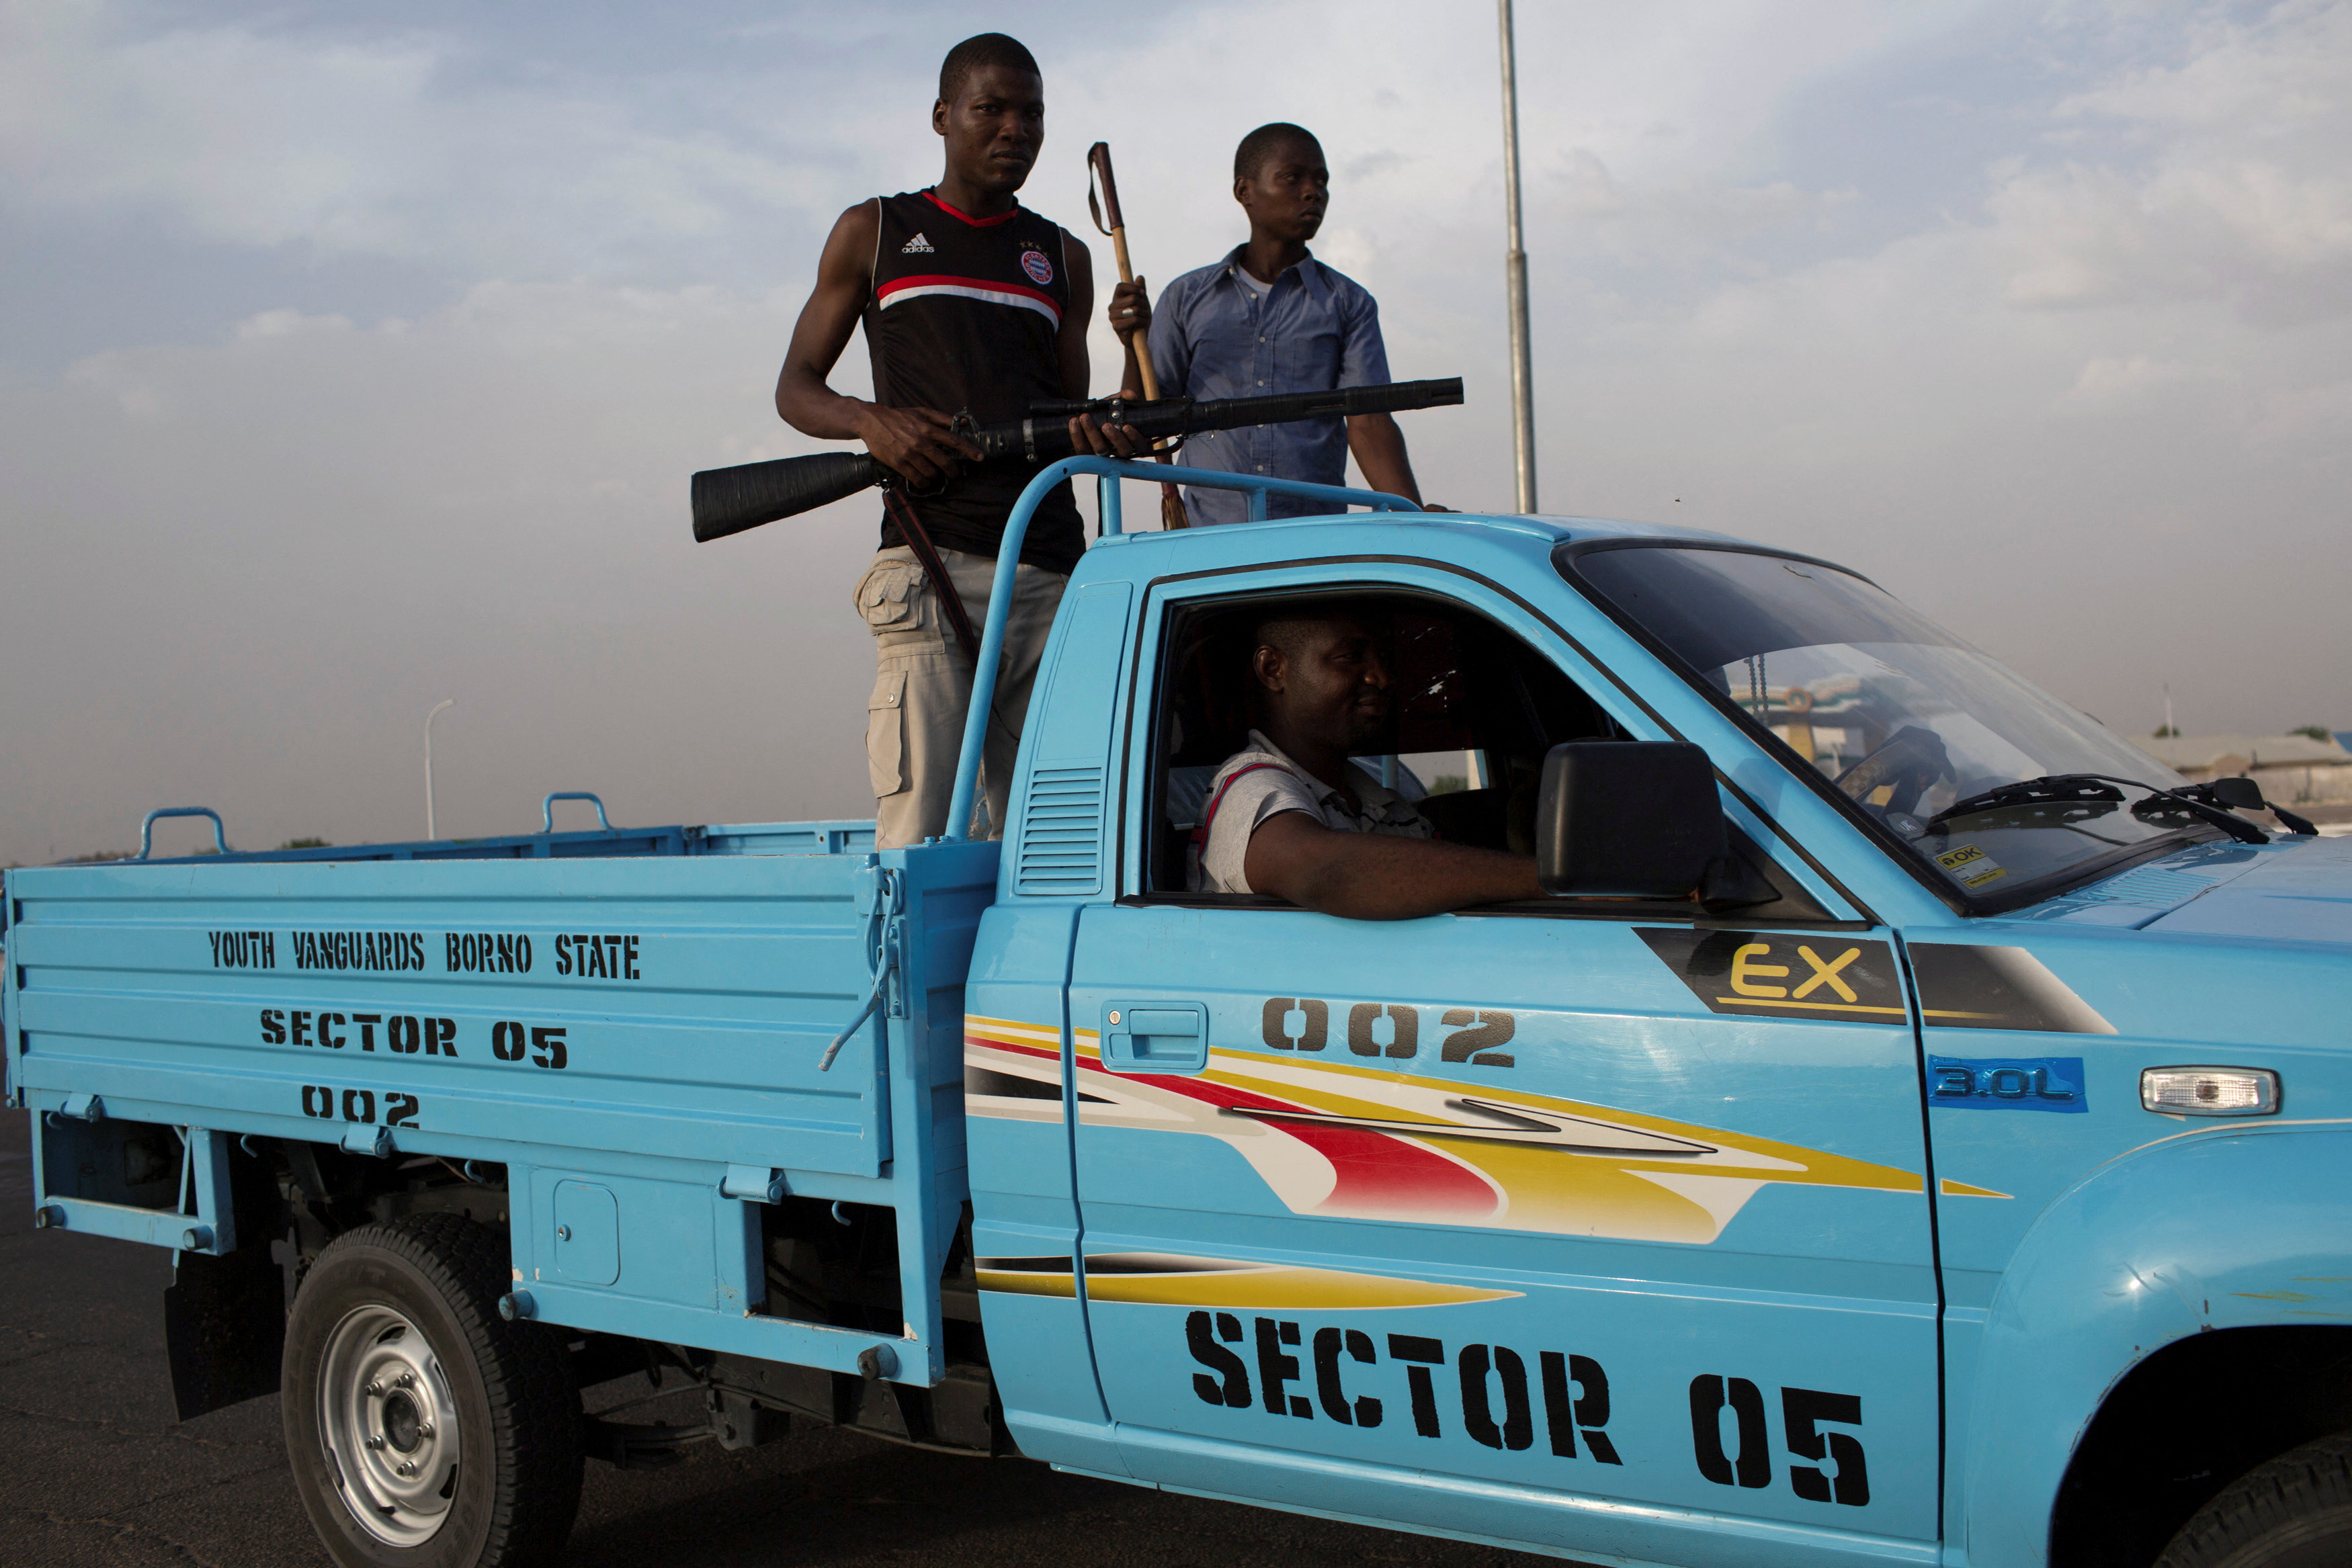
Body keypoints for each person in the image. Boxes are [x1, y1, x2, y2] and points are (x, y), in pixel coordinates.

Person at [774, 33, 1138, 848]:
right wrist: (873, 422)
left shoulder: (1061, 256)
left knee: (1049, 840)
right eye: (991, 109)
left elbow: (1067, 411)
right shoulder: (873, 231)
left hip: (1049, 569)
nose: (1016, 129)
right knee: (921, 837)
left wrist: (1105, 418)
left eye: (1032, 114)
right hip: (931, 562)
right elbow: (795, 387)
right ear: (943, 117)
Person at [1109, 122, 1435, 525]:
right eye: (1292, 177)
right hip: (1207, 538)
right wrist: (1130, 342)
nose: (1313, 192)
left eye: (1321, 180)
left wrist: (1416, 517)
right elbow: (1146, 421)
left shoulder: (1349, 303)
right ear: (1244, 192)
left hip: (1310, 541)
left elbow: (1368, 422)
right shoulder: (1187, 297)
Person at [1193, 604, 1541, 918]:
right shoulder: (1250, 784)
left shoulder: (1380, 800)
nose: (1383, 678)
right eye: (1351, 657)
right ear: (1273, 670)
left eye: (1385, 659)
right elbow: (1325, 871)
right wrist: (1549, 881)